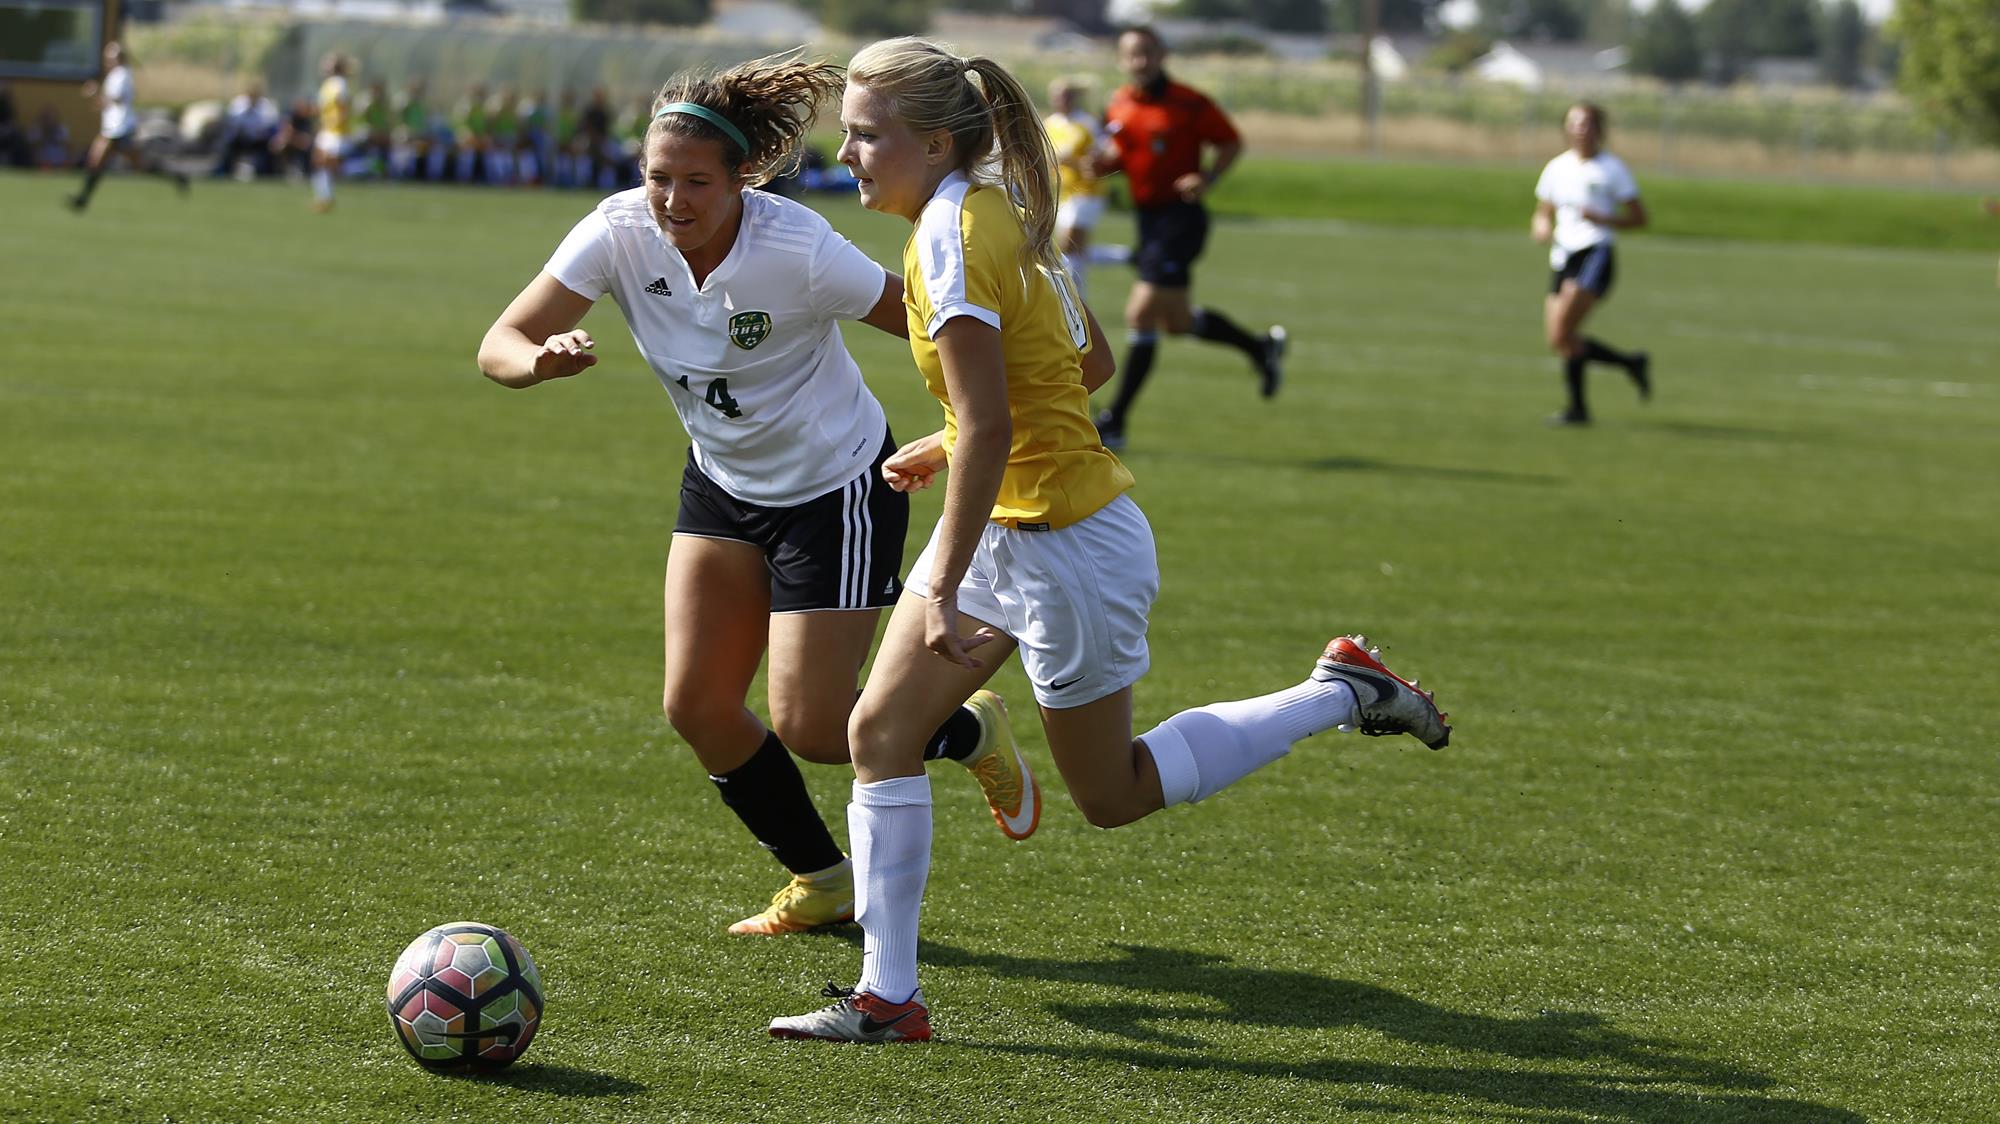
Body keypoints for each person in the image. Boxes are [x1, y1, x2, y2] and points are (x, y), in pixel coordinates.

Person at [769, 36, 1450, 1045]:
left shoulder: (954, 234)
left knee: (1112, 792)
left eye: (867, 137)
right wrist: (958, 433)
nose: (848, 156)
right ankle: (887, 995)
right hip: (1011, 521)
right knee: (876, 732)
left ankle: (1340, 691)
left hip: (1067, 544)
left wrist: (948, 560)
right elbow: (1081, 365)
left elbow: (1011, 416)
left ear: (934, 141)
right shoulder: (997, 210)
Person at [475, 51, 1041, 939]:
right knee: (696, 705)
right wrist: (536, 362)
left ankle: (967, 733)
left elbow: (930, 323)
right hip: (724, 486)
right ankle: (822, 878)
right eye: (658, 178)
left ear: (742, 178)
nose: (673, 200)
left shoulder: (797, 248)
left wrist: (971, 426)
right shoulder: (617, 232)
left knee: (816, 727)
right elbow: (500, 340)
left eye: (695, 181)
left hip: (837, 489)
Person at [1090, 26, 1284, 451]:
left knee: (1141, 314)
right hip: (1147, 220)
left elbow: (1231, 142)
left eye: (1147, 53)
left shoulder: (1190, 103)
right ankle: (1260, 347)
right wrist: (1097, 166)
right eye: (1132, 55)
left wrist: (1207, 176)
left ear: (1162, 54)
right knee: (1176, 323)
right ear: (1123, 60)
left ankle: (1115, 420)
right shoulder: (1118, 103)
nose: (1140, 61)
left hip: (1181, 219)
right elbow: (1117, 157)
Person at [1531, 102, 1650, 426]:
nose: (1579, 129)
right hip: (1563, 256)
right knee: (1559, 339)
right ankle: (1625, 367)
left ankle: (1578, 408)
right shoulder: (1557, 167)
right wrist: (1541, 225)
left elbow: (1639, 219)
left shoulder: (1612, 169)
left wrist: (1604, 218)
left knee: (1564, 330)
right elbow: (1543, 210)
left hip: (1595, 253)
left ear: (1598, 129)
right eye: (1573, 123)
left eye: (1586, 123)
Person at [67, 41, 189, 211]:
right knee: (99, 161)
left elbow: (118, 100)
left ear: (119, 58)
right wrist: (94, 98)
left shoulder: (123, 75)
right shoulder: (113, 76)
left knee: (133, 166)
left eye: (110, 57)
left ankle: (175, 176)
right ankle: (82, 200)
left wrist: (97, 93)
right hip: (111, 129)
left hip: (121, 129)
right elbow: (107, 105)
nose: (107, 61)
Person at [1041, 77, 1125, 303]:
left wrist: (1078, 161)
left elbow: (1102, 155)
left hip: (1088, 191)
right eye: (1058, 96)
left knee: (1069, 244)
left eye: (1066, 95)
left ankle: (1076, 302)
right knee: (1073, 250)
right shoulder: (1051, 124)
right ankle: (1127, 257)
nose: (1061, 100)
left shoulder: (1086, 124)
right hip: (1064, 192)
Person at [211, 80, 280, 179]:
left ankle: (267, 173)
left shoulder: (267, 106)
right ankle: (223, 172)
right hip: (240, 138)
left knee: (271, 147)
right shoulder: (238, 103)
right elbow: (231, 123)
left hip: (259, 140)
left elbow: (271, 126)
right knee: (226, 145)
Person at [311, 54, 353, 212]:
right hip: (326, 129)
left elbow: (343, 107)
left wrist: (338, 122)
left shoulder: (339, 84)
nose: (325, 66)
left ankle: (325, 198)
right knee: (319, 162)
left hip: (336, 131)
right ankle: (324, 197)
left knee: (329, 164)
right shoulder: (328, 84)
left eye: (329, 64)